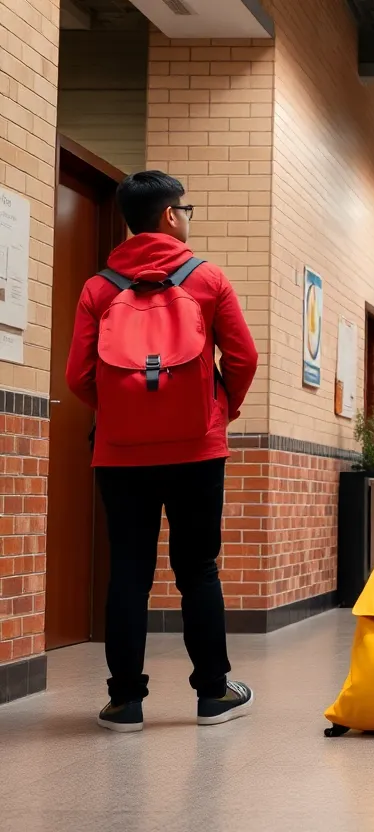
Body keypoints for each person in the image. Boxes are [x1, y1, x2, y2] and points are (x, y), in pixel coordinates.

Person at [66, 171, 259, 732]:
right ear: (171, 216)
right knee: (198, 569)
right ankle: (213, 694)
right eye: (186, 209)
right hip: (198, 448)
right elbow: (243, 358)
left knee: (128, 570)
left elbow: (78, 376)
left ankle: (125, 702)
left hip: (120, 453)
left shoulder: (98, 288)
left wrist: (120, 412)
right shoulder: (207, 279)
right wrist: (219, 409)